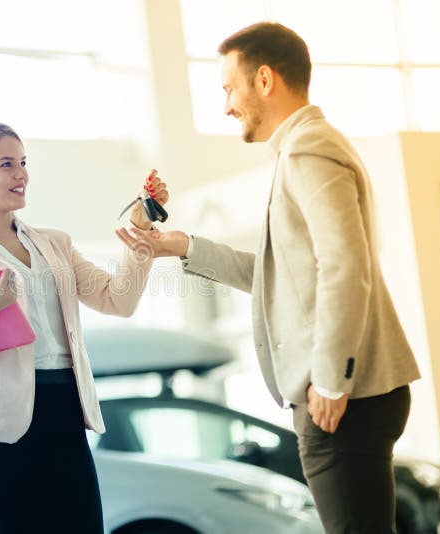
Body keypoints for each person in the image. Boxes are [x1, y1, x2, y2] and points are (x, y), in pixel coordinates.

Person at [115, 22, 420, 533]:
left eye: (229, 88)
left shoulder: (307, 150)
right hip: (351, 394)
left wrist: (329, 377)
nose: (227, 105)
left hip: (344, 396)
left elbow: (344, 265)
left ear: (263, 79)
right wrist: (182, 246)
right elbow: (279, 276)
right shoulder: (299, 151)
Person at [0, 122, 168, 534]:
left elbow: (118, 299)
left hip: (64, 422)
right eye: (7, 164)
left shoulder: (54, 244)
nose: (22, 174)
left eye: (24, 163)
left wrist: (139, 229)